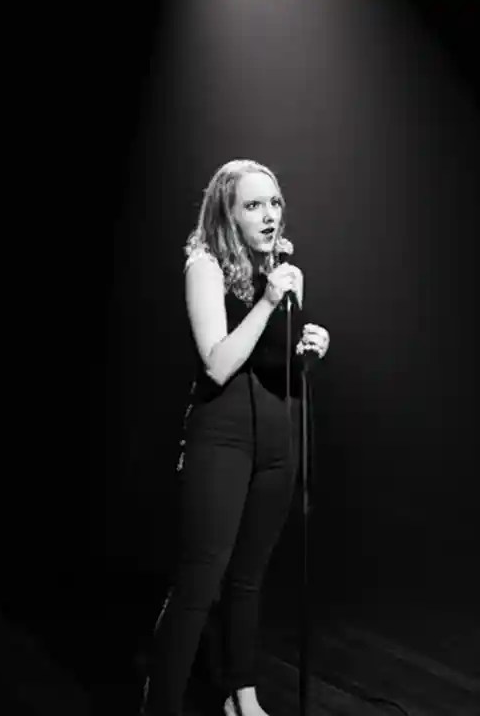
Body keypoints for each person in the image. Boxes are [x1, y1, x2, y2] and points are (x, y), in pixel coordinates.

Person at [141, 159, 330, 716]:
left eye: (274, 203)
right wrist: (270, 302)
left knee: (250, 579)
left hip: (278, 436)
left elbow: (274, 364)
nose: (269, 215)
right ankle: (161, 707)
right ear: (228, 213)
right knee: (201, 583)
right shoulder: (204, 266)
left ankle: (241, 697)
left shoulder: (281, 269)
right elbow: (219, 364)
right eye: (254, 205)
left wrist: (308, 350)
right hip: (220, 439)